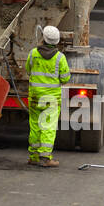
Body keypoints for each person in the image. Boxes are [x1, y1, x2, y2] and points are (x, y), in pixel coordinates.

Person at [25, 25, 70, 168]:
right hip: (51, 99)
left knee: (35, 126)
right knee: (48, 127)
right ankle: (45, 158)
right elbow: (65, 78)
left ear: (43, 38)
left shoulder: (33, 54)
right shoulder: (60, 58)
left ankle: (33, 157)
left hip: (35, 97)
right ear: (57, 41)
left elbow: (28, 70)